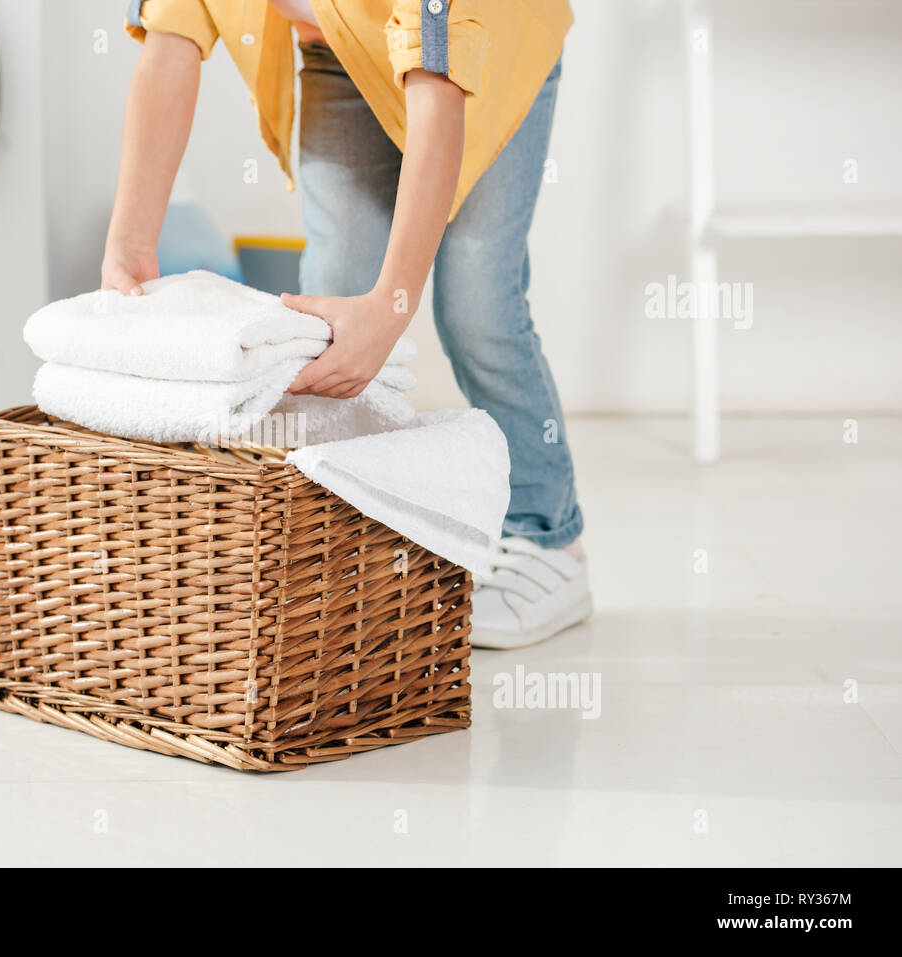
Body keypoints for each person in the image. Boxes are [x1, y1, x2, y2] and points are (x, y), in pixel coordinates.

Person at [102, 0, 590, 648]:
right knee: (331, 306)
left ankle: (547, 534)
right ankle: (354, 531)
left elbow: (437, 92)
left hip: (489, 43)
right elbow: (170, 41)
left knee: (478, 307)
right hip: (340, 48)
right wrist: (130, 242)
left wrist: (391, 305)